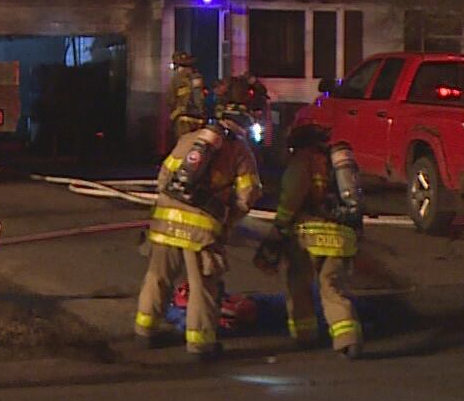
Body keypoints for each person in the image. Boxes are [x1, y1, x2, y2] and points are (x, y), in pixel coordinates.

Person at [136, 90, 263, 359]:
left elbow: (163, 179)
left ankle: (144, 331)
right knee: (203, 287)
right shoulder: (240, 151)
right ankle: (200, 344)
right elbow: (248, 195)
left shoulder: (188, 139)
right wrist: (228, 220)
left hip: (163, 223)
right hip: (202, 232)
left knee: (157, 277)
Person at [269, 122, 362, 357]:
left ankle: (305, 335)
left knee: (298, 284)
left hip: (308, 236)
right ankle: (347, 338)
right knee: (332, 286)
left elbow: (291, 197)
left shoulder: (302, 161)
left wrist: (280, 225)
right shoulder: (335, 163)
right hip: (341, 236)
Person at [167, 52, 209, 141]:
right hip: (197, 119)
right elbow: (200, 99)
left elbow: (170, 100)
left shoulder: (175, 79)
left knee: (182, 146)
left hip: (182, 119)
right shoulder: (196, 77)